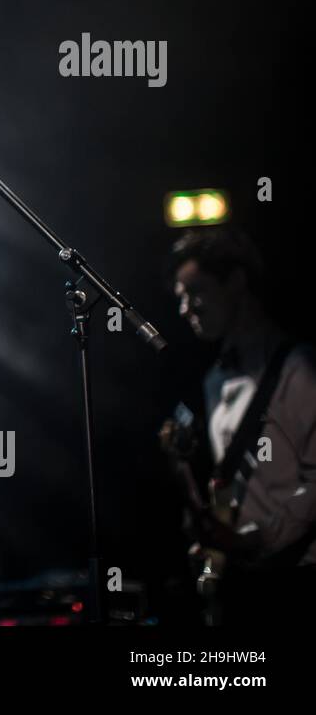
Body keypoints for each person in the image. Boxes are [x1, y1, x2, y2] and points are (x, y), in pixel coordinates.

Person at [162, 226, 316, 622]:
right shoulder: (214, 379)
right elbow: (232, 485)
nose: (185, 309)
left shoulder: (300, 367)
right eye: (180, 299)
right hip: (245, 586)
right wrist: (215, 547)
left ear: (236, 282)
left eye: (195, 293)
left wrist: (255, 540)